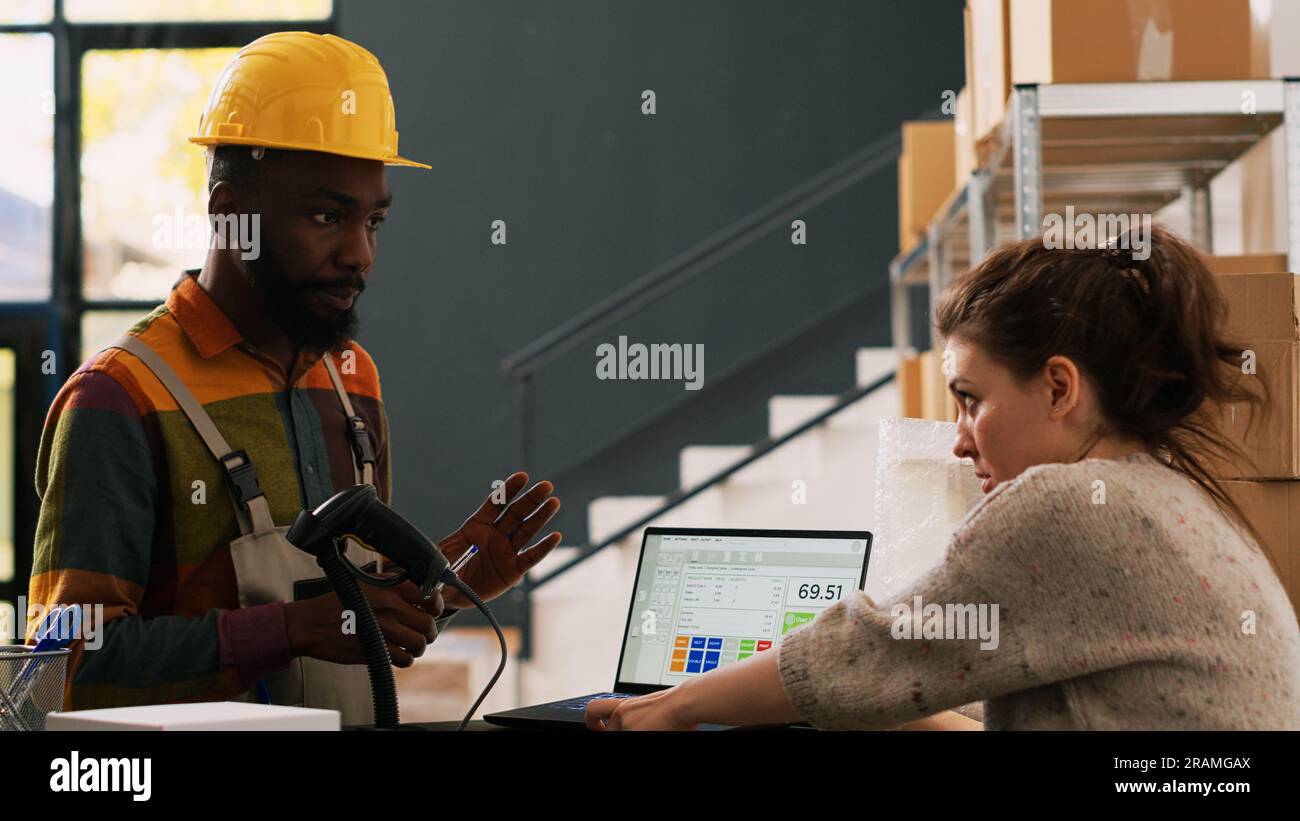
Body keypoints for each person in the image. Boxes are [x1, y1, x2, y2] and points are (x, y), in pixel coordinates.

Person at [27, 32, 561, 726]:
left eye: (373, 220)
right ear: (230, 213)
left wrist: (437, 585)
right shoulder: (120, 398)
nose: (359, 254)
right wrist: (289, 628)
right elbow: (63, 663)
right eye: (325, 216)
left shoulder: (350, 380)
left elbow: (343, 615)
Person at [588, 224, 1300, 730]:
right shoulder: (1166, 490)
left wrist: (669, 705)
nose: (959, 441)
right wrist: (888, 703)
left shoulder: (1071, 506)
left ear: (1058, 388)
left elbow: (861, 649)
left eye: (971, 400)